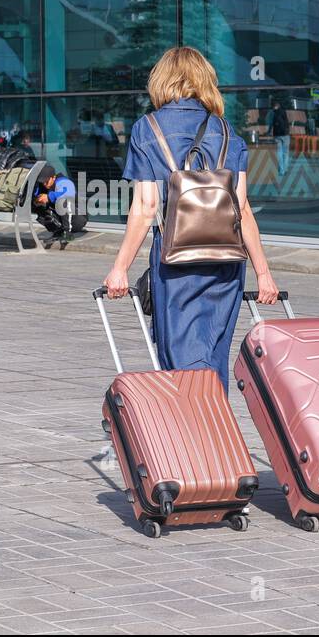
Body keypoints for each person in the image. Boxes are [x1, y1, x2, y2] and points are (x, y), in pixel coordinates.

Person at [103, 46, 279, 390]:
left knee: (180, 361)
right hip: (226, 263)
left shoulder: (147, 129)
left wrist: (120, 267)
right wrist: (264, 274)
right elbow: (241, 209)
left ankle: (194, 434)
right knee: (213, 357)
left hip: (176, 262)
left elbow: (145, 205)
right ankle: (215, 433)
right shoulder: (226, 132)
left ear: (162, 80)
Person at [269, 99, 291, 176]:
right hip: (285, 135)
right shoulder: (283, 112)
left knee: (279, 153)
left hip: (277, 135)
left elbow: (271, 124)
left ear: (275, 106)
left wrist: (269, 132)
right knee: (286, 153)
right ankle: (285, 169)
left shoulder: (273, 113)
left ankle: (281, 170)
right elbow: (286, 122)